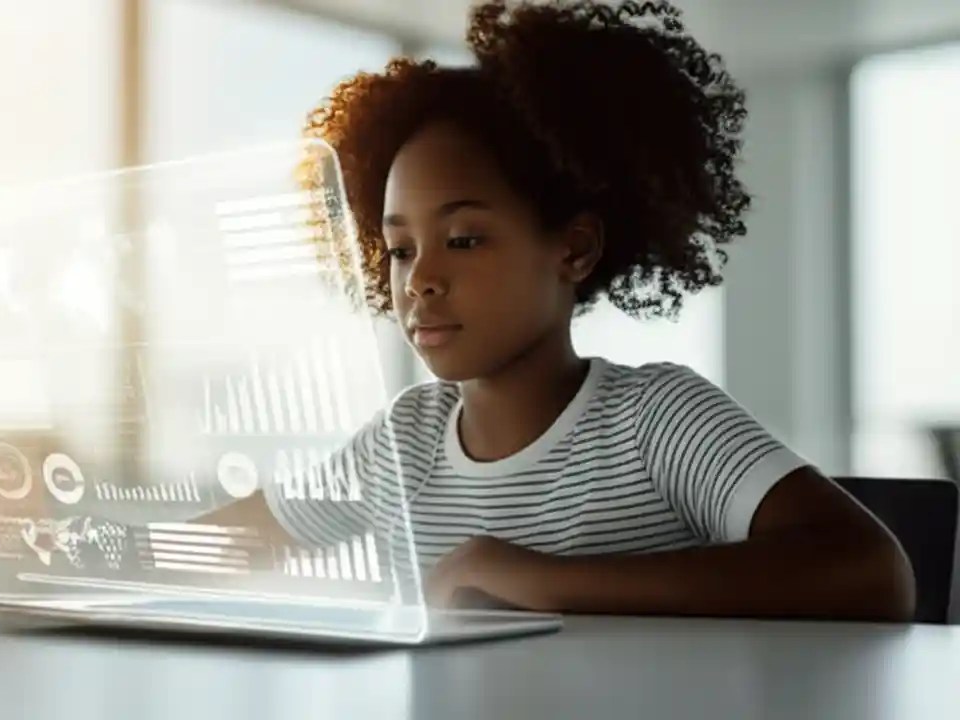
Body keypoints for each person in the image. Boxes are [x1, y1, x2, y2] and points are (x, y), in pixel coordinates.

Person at [205, 0, 915, 621]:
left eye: (463, 239)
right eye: (397, 249)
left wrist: (531, 576)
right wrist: (100, 544)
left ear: (573, 250)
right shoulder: (404, 444)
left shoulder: (653, 421)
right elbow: (225, 543)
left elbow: (871, 572)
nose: (419, 278)